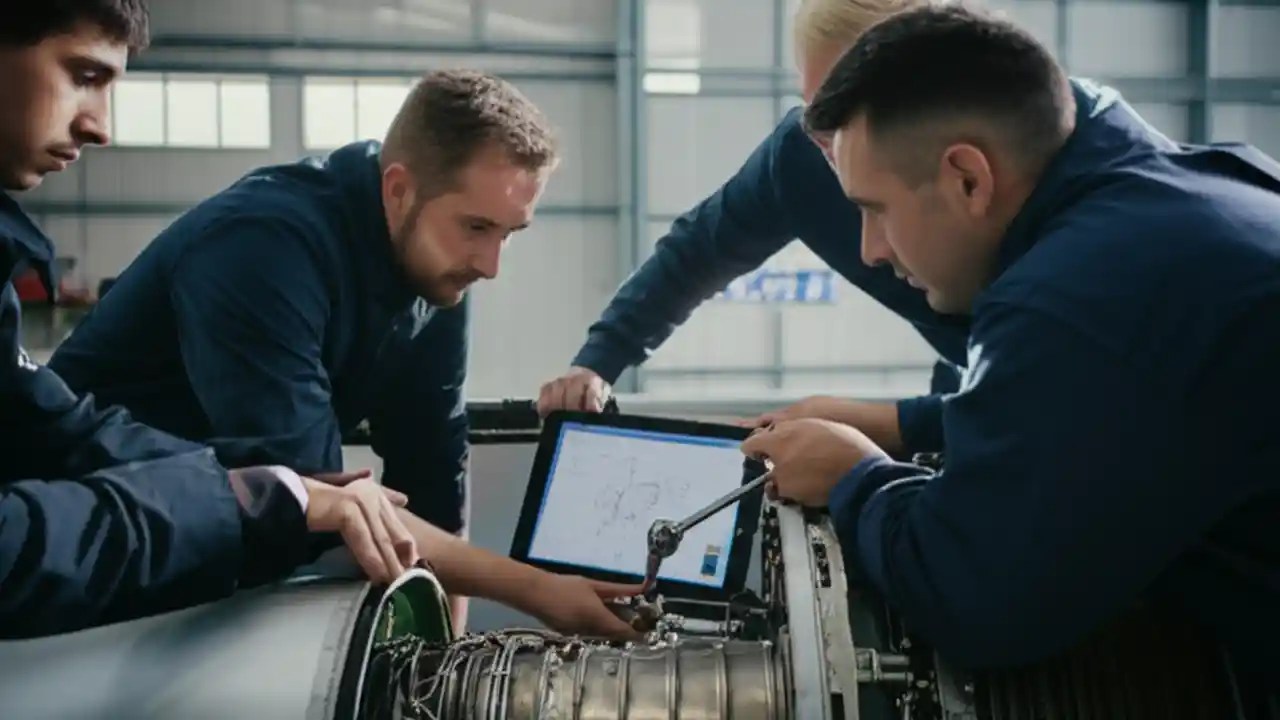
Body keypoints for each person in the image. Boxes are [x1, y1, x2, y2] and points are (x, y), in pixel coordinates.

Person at [8, 2, 641, 642]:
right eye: (477, 227)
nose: (490, 264)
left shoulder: (438, 270)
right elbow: (313, 497)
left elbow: (432, 485)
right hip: (86, 562)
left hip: (210, 536)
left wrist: (449, 660)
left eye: (508, 234)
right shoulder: (264, 244)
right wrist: (538, 590)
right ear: (399, 190)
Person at [743, 1, 1280, 697]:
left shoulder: (1070, 295)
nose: (871, 250)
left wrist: (854, 476)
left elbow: (972, 597)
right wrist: (905, 424)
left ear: (968, 178)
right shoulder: (1202, 184)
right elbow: (1115, 402)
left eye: (874, 208)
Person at [0, 0, 426, 638]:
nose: (100, 126)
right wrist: (237, 505)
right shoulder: (261, 240)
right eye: (83, 75)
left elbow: (50, 428)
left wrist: (268, 487)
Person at [538, 0, 968, 461]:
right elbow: (695, 254)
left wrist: (879, 425)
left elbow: (1016, 403)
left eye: (841, 115)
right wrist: (597, 363)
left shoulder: (1020, 214)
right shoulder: (803, 157)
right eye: (815, 111)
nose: (871, 251)